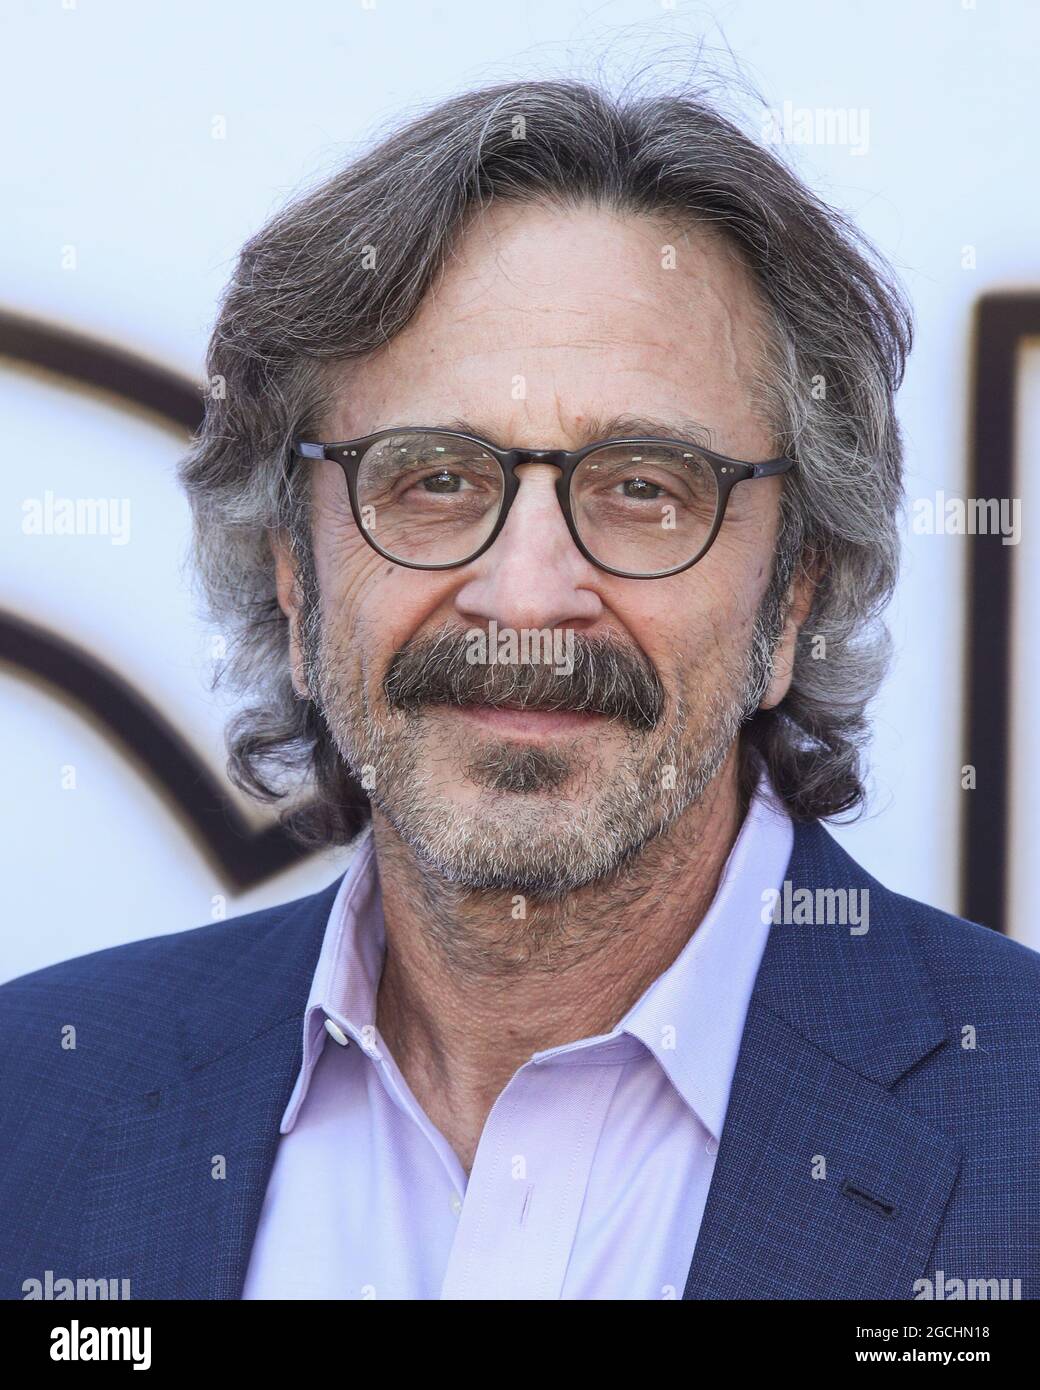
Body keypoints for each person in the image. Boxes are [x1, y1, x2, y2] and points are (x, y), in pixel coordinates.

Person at [3, 77, 1038, 1301]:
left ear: (791, 599)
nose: (528, 595)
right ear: (294, 576)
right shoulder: (36, 1100)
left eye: (644, 486)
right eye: (432, 478)